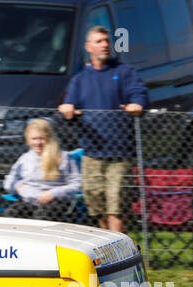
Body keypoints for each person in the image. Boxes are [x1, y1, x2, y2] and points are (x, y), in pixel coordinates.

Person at [58, 26, 147, 232]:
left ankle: (117, 249)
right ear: (88, 47)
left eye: (107, 41)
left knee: (116, 207)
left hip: (120, 154)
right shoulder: (80, 79)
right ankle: (108, 247)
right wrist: (66, 109)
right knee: (98, 208)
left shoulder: (124, 72)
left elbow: (138, 94)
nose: (105, 45)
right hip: (92, 154)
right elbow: (68, 105)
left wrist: (137, 105)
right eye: (99, 41)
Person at [3, 118, 81, 220]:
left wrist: (52, 194)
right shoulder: (25, 158)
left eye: (41, 138)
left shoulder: (64, 157)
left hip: (56, 201)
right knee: (12, 214)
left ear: (49, 138)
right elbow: (10, 180)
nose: (38, 143)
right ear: (28, 140)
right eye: (34, 139)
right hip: (29, 200)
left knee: (41, 216)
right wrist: (19, 187)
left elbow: (77, 184)